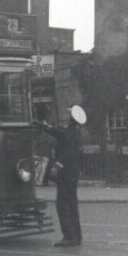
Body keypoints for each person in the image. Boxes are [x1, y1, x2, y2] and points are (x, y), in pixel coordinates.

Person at [34, 105, 86, 247]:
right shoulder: (75, 132)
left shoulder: (70, 132)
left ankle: (69, 237)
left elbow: (68, 152)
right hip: (73, 173)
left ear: (71, 119)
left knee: (62, 205)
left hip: (66, 173)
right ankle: (77, 236)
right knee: (72, 204)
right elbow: (59, 133)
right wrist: (46, 126)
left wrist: (57, 166)